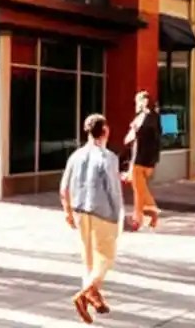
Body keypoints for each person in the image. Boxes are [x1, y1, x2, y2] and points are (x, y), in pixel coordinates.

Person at [60, 113, 123, 325]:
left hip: (80, 211)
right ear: (104, 131)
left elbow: (63, 188)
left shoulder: (75, 156)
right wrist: (118, 215)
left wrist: (67, 211)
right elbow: (113, 191)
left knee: (88, 260)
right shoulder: (108, 158)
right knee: (107, 256)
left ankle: (91, 301)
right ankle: (85, 293)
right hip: (102, 212)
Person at [123, 90, 163, 230]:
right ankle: (138, 219)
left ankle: (151, 213)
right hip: (150, 160)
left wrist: (131, 131)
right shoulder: (156, 117)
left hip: (138, 159)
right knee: (140, 190)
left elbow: (129, 139)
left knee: (139, 191)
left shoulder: (141, 117)